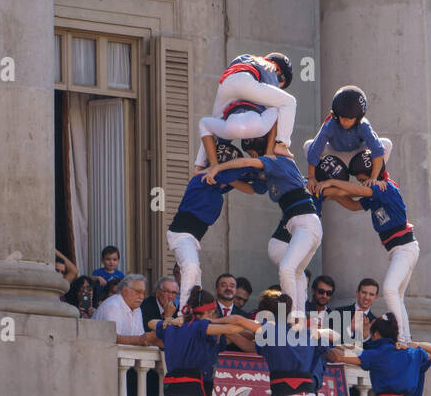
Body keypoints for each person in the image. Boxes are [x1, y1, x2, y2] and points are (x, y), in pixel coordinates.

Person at [204, 142, 322, 315]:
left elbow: (246, 163)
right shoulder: (272, 172)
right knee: (296, 273)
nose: (253, 157)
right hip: (302, 225)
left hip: (305, 224)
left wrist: (216, 167)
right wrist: (227, 177)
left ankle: (290, 316)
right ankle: (299, 318)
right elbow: (252, 189)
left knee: (287, 269)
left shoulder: (277, 161)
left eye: (252, 153)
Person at [317, 151, 419, 341]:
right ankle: (406, 337)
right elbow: (354, 205)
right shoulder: (374, 193)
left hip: (405, 248)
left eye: (363, 179)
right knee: (397, 296)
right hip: (400, 250)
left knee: (389, 289)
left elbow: (354, 191)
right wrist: (327, 193)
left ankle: (403, 339)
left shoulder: (384, 187)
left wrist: (330, 183)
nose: (361, 183)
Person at [167, 146, 269, 312]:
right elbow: (234, 172)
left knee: (196, 284)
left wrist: (260, 171)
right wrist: (260, 161)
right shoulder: (202, 177)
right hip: (181, 234)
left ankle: (195, 312)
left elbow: (258, 189)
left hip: (193, 238)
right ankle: (183, 313)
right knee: (191, 268)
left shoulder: (221, 183)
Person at [305, 85, 385, 193]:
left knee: (385, 144)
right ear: (337, 115)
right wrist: (311, 177)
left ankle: (380, 178)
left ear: (358, 117)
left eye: (349, 119)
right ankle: (317, 178)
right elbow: (315, 149)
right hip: (335, 152)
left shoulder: (363, 125)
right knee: (309, 145)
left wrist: (374, 178)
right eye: (342, 117)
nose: (344, 122)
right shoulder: (331, 125)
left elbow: (377, 150)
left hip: (358, 152)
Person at [93, 274, 158, 346]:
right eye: (138, 292)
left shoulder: (137, 309)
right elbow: (112, 337)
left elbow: (140, 336)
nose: (142, 297)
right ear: (124, 291)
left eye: (143, 293)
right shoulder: (112, 306)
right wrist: (140, 339)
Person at [335, 277, 381, 347]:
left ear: (375, 298)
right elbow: (329, 342)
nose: (367, 297)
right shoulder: (338, 313)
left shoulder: (376, 323)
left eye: (371, 294)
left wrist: (366, 337)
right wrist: (350, 329)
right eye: (364, 292)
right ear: (357, 293)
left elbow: (374, 351)